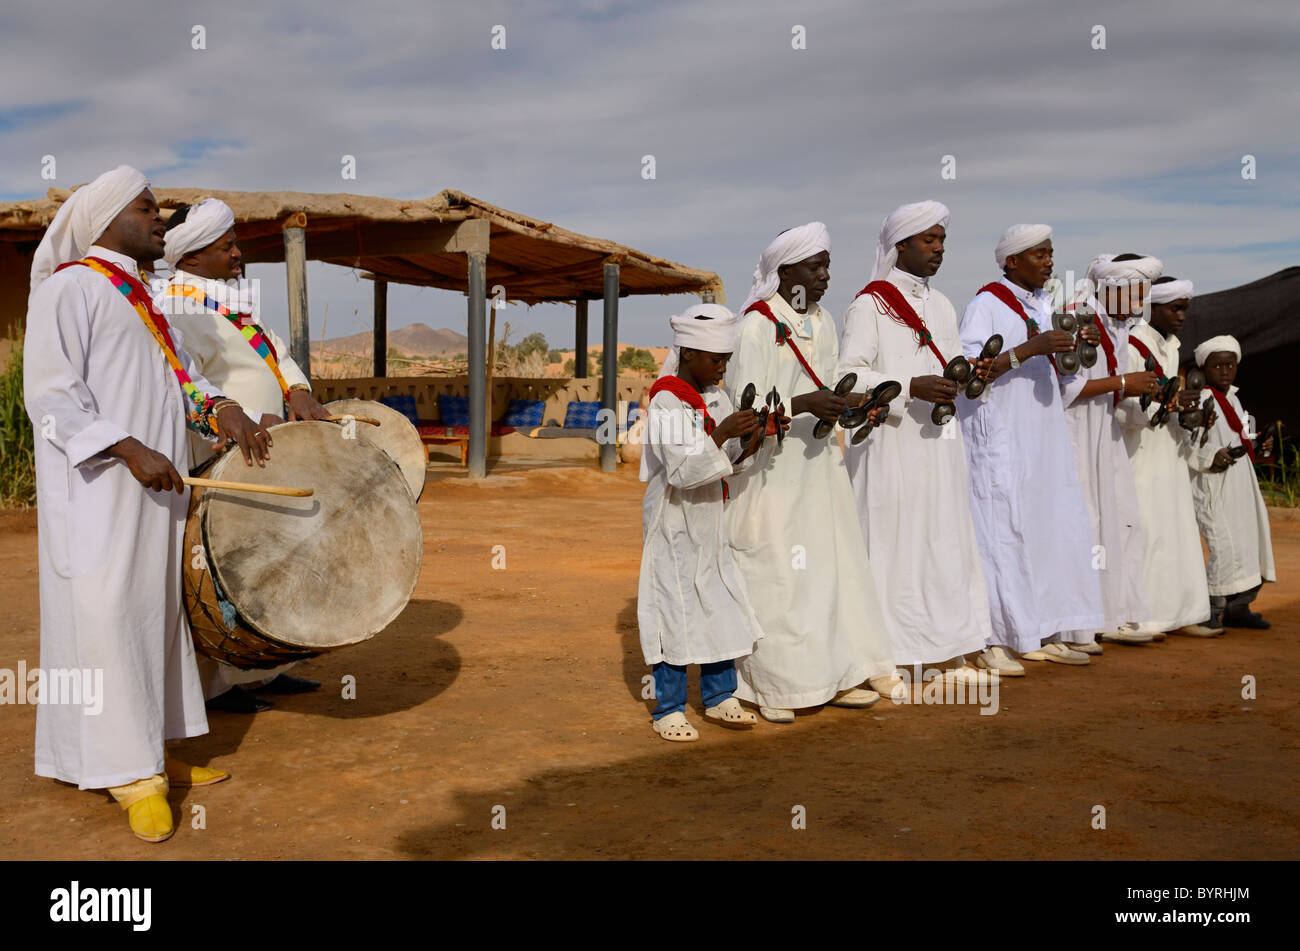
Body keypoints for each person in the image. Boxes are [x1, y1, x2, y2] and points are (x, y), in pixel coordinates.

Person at [24, 165, 270, 842]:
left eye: (158, 207)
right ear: (104, 220)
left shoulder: (142, 295)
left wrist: (220, 409)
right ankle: (128, 771)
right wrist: (125, 447)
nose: (160, 217)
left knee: (150, 615)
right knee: (106, 614)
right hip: (101, 492)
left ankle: (152, 748)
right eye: (145, 207)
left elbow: (179, 375)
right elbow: (47, 396)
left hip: (157, 492)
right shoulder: (71, 289)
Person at [722, 222, 898, 722]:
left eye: (826, 266)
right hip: (770, 472)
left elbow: (828, 384)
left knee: (825, 571)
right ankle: (774, 689)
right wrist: (803, 403)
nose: (825, 276)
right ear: (785, 271)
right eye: (815, 266)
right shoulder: (756, 325)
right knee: (776, 574)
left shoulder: (823, 322)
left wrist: (853, 404)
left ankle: (830, 677)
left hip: (819, 467)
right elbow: (743, 410)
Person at [161, 198, 328, 712]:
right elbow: (187, 381)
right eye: (227, 246)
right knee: (220, 571)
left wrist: (296, 388)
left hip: (266, 456)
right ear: (190, 256)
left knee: (272, 565)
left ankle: (266, 670)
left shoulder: (227, 302)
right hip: (222, 458)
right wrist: (229, 423)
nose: (238, 254)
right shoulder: (175, 306)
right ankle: (219, 686)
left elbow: (275, 349)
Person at [838, 201, 994, 683]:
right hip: (891, 447)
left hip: (940, 446)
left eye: (942, 241)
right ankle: (886, 658)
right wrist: (910, 386)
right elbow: (846, 375)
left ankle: (947, 651)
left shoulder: (943, 305)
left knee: (942, 540)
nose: (939, 249)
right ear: (900, 245)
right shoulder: (870, 304)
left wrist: (971, 378)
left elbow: (948, 366)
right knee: (892, 544)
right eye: (929, 240)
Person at [959, 225, 1104, 674]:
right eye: (1039, 254)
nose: (1049, 262)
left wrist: (1080, 351)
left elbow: (1066, 382)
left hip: (1044, 438)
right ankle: (1000, 637)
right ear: (1012, 262)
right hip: (1002, 437)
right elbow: (971, 376)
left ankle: (1045, 629)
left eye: (1051, 253)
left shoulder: (1045, 307)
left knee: (1048, 529)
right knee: (1003, 532)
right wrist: (1029, 349)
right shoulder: (984, 306)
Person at [638, 304, 776, 740]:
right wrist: (721, 435)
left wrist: (753, 438)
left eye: (726, 361)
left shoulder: (716, 397)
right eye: (715, 360)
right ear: (688, 353)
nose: (722, 369)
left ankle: (719, 696)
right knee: (674, 608)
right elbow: (681, 470)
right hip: (675, 522)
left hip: (710, 518)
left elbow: (726, 465)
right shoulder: (665, 400)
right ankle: (670, 708)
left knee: (717, 603)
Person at [1059, 253, 1163, 649]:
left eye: (1144, 294)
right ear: (1113, 288)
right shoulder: (1078, 321)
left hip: (1105, 433)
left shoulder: (1115, 327)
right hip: (1076, 437)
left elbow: (1111, 389)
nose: (1139, 303)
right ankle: (1075, 626)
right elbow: (1067, 390)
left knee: (1118, 520)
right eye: (1135, 293)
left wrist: (1137, 391)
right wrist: (1124, 381)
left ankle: (1111, 613)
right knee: (1084, 524)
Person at [1117, 276, 1224, 637]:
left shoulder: (1173, 347)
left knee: (1176, 529)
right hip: (1141, 450)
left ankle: (1182, 614)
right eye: (1175, 308)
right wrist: (1166, 404)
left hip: (1170, 448)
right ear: (1154, 307)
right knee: (1145, 532)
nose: (1181, 316)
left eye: (1184, 309)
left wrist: (1188, 411)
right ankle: (1138, 618)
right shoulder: (1131, 343)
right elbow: (1123, 405)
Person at [1187, 336, 1276, 628]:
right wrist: (1213, 455)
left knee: (1249, 542)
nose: (1225, 370)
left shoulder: (1232, 399)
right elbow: (1188, 443)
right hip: (1213, 485)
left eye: (1230, 364)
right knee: (1224, 547)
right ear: (1205, 368)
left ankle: (1239, 607)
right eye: (1218, 365)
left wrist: (1258, 442)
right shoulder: (1200, 399)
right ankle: (1210, 609)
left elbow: (1237, 435)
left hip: (1240, 484)